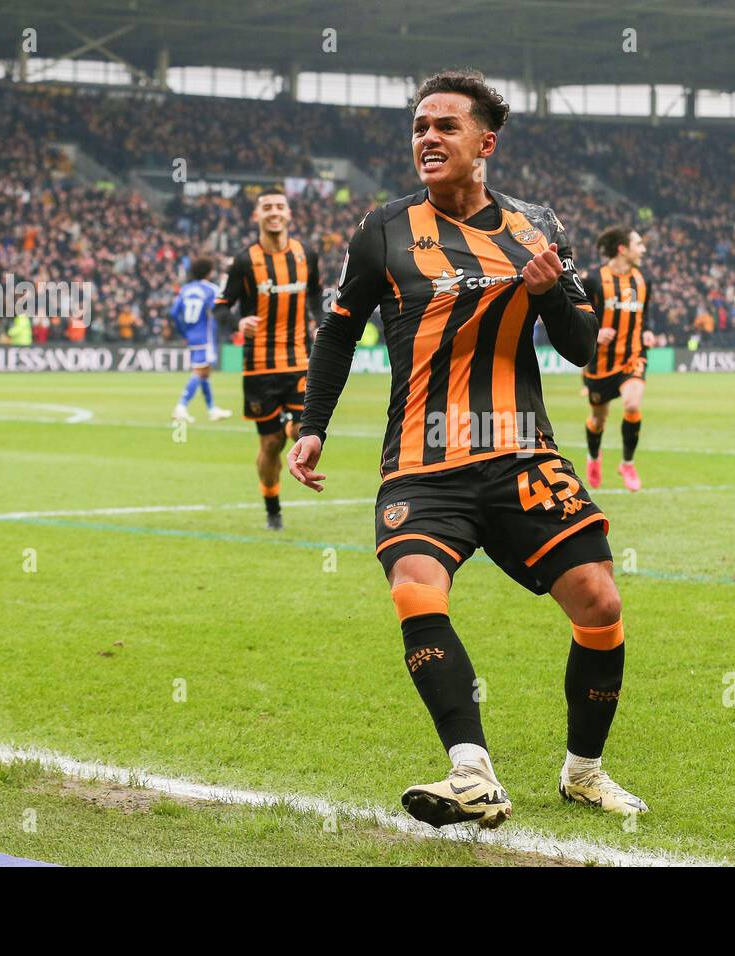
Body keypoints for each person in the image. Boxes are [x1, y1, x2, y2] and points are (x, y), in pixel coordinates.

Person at [289, 69, 647, 829]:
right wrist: (313, 422)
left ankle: (583, 772)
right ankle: (471, 770)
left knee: (601, 603)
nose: (428, 137)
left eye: (446, 125)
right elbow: (340, 330)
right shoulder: (383, 229)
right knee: (415, 587)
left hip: (521, 455)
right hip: (422, 459)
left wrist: (552, 290)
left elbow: (584, 348)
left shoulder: (536, 225)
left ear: (486, 142)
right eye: (420, 125)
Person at [214, 192, 321, 530]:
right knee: (271, 442)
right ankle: (273, 508)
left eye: (279, 207)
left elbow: (316, 293)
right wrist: (237, 323)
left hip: (300, 360)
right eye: (267, 208)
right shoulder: (244, 261)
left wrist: (319, 319)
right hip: (260, 365)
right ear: (256, 216)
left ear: (289, 214)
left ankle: (294, 426)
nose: (274, 213)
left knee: (302, 432)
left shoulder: (307, 255)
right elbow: (220, 306)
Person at [581, 226, 652, 491]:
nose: (643, 249)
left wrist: (649, 332)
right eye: (638, 244)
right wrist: (596, 331)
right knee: (598, 419)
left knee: (632, 404)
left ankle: (627, 463)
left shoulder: (644, 279)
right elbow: (577, 314)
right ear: (622, 249)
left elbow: (646, 315)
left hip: (632, 356)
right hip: (601, 363)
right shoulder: (594, 280)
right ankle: (593, 457)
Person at [170, 257, 232, 424]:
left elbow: (174, 313)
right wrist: (227, 278)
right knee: (199, 372)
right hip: (205, 335)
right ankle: (181, 407)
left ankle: (212, 409)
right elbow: (221, 304)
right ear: (209, 272)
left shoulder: (185, 289)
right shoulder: (210, 289)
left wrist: (184, 332)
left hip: (191, 334)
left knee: (204, 372)